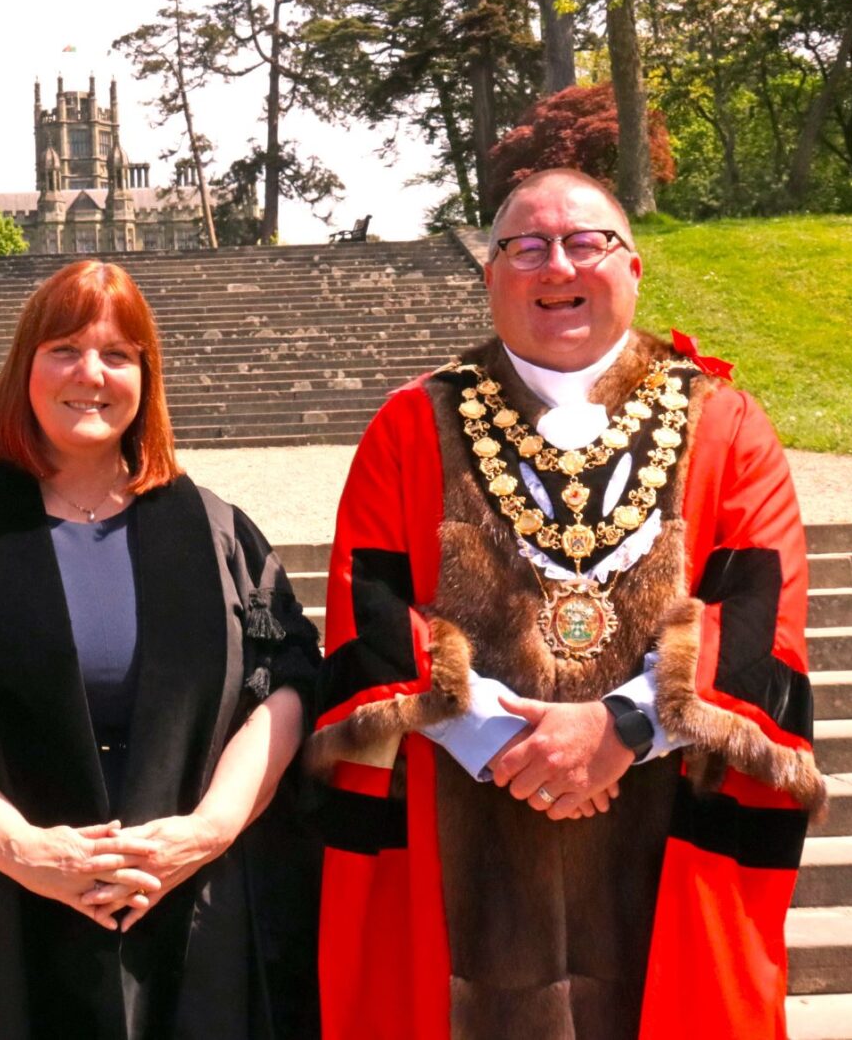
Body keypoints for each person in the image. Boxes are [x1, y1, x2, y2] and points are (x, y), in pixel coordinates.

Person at [307, 167, 822, 1039]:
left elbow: (763, 612)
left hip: (667, 848)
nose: (557, 266)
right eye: (527, 245)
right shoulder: (409, 424)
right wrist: (508, 740)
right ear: (489, 274)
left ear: (633, 269)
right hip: (458, 846)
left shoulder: (727, 426)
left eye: (587, 242)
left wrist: (619, 728)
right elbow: (369, 602)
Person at [0, 260, 323, 1040]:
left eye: (118, 354)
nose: (91, 373)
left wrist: (211, 827)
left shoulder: (214, 527)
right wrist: (17, 844)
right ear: (26, 367)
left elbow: (284, 682)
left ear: (145, 378)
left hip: (189, 905)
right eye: (65, 348)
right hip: (2, 912)